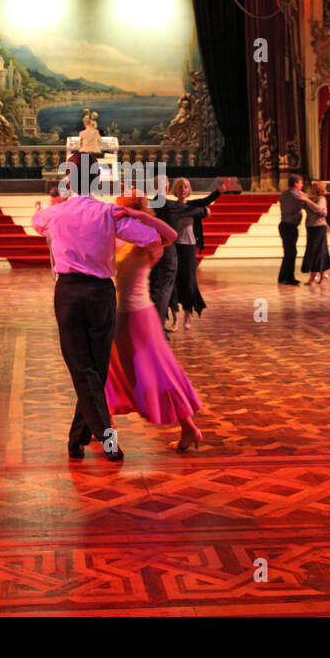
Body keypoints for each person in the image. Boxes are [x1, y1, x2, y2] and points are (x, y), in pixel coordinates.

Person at [32, 152, 162, 463]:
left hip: (68, 294)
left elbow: (37, 223)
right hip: (102, 294)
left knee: (85, 370)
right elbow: (151, 237)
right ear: (97, 180)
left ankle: (80, 439)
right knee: (94, 371)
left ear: (67, 180)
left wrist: (42, 211)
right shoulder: (108, 214)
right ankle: (102, 440)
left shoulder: (55, 214)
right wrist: (139, 217)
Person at [104, 193, 204, 451]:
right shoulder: (123, 241)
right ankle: (108, 427)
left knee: (157, 373)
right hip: (120, 316)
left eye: (122, 209)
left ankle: (189, 428)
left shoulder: (149, 242)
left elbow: (170, 234)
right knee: (112, 372)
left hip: (138, 317)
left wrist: (138, 216)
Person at [165, 177, 220, 330]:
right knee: (173, 283)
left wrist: (220, 191)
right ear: (175, 190)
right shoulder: (171, 206)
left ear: (189, 190)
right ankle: (175, 320)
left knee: (189, 283)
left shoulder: (193, 205)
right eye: (180, 187)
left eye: (185, 187)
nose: (183, 190)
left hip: (188, 247)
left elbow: (207, 200)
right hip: (174, 246)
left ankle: (187, 318)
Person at [147, 174, 177, 338]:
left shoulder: (150, 205)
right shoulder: (172, 205)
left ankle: (153, 326)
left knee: (154, 289)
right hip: (167, 250)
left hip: (152, 250)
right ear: (167, 187)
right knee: (164, 290)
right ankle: (158, 328)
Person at [277, 175, 317, 285]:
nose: (302, 185)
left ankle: (285, 277)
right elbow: (308, 206)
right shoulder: (296, 196)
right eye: (301, 183)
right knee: (290, 253)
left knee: (290, 252)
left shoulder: (285, 194)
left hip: (286, 226)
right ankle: (286, 278)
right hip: (289, 227)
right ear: (295, 184)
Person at [300, 181, 330, 284]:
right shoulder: (312, 199)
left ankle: (313, 277)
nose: (310, 189)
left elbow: (318, 209)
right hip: (311, 226)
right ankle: (323, 274)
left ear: (317, 189)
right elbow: (306, 206)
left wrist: (307, 200)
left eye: (312, 187)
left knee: (316, 250)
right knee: (320, 250)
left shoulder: (322, 199)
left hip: (319, 227)